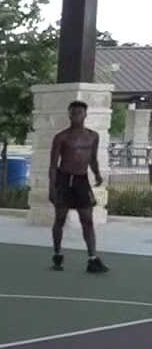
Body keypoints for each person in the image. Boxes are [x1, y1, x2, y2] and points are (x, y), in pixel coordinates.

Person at [49, 101, 109, 274]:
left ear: (85, 115)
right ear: (69, 115)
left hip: (82, 181)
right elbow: (53, 165)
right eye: (73, 113)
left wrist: (96, 174)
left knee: (87, 219)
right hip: (65, 179)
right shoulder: (61, 137)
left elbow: (93, 159)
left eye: (79, 113)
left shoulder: (93, 136)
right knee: (60, 218)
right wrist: (52, 187)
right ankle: (57, 253)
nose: (76, 116)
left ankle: (93, 259)